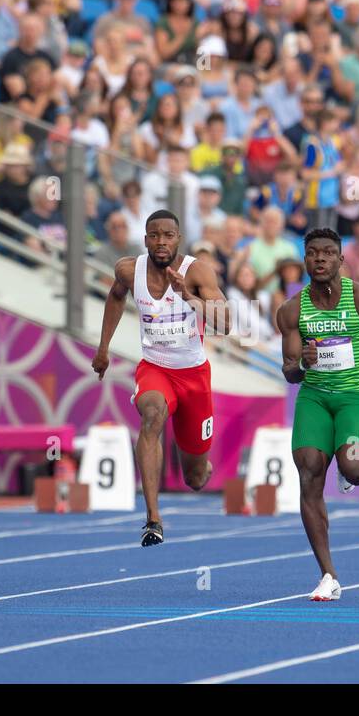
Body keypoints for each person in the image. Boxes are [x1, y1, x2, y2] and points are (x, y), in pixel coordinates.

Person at [275, 227, 359, 602]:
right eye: (312, 253)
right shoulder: (291, 310)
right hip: (314, 399)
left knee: (353, 468)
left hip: (353, 398)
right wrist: (300, 364)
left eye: (327, 253)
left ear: (340, 260)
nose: (319, 259)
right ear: (305, 261)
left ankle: (347, 463)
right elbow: (289, 374)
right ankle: (328, 575)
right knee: (308, 473)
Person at [90, 210, 228, 547]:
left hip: (194, 375)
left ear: (178, 239)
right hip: (155, 368)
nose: (161, 241)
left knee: (195, 478)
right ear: (146, 239)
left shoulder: (196, 271)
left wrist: (189, 298)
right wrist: (103, 347)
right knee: (151, 416)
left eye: (168, 235)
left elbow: (225, 324)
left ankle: (202, 466)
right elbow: (116, 296)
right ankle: (153, 518)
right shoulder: (128, 269)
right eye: (154, 235)